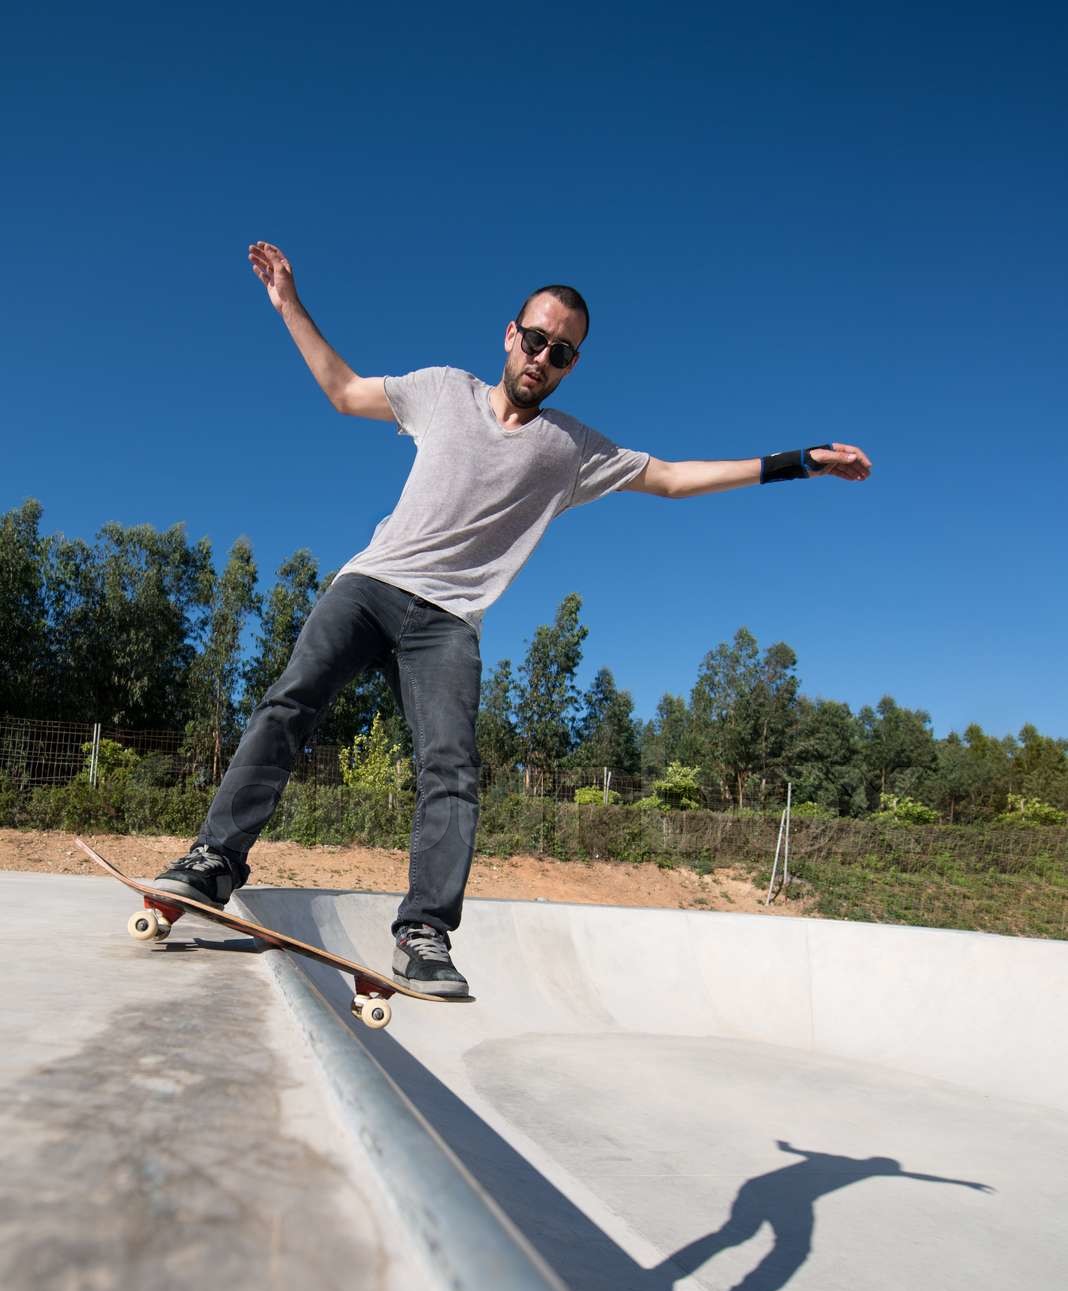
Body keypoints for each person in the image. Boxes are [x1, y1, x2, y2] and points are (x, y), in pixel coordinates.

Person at [155, 240, 872, 997]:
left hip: (449, 621)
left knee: (452, 766)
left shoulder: (570, 449)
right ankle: (213, 862)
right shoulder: (440, 391)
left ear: (570, 365)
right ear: (510, 335)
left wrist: (794, 462)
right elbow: (342, 391)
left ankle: (424, 933)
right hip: (371, 584)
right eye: (535, 340)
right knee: (289, 705)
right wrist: (289, 305)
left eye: (561, 353)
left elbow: (667, 479)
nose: (542, 358)